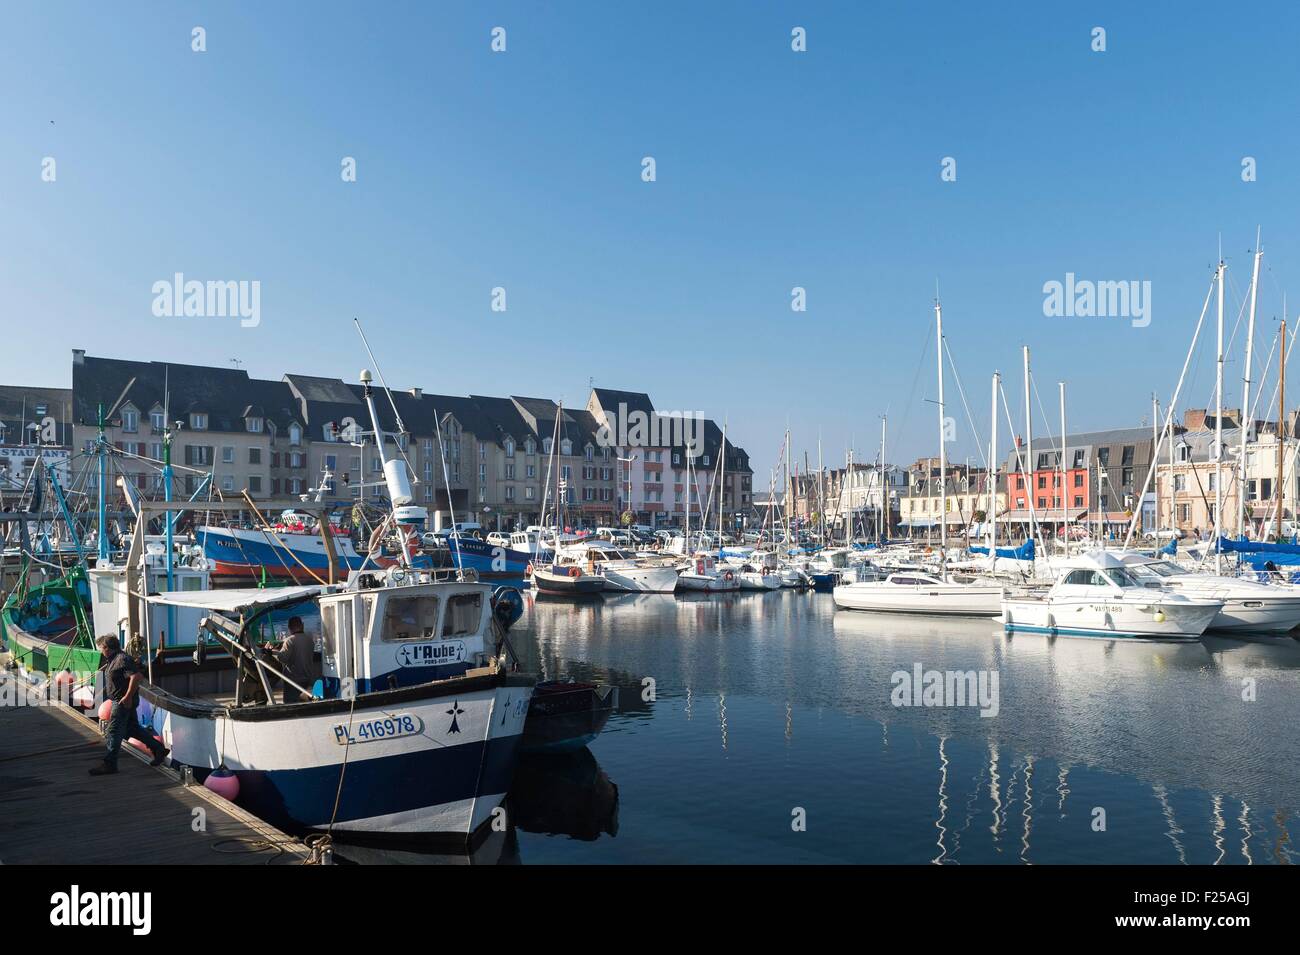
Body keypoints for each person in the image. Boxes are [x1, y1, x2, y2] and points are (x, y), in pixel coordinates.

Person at [90, 634, 168, 776]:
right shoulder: (114, 659)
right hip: (123, 701)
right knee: (132, 729)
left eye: (101, 648)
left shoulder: (121, 659)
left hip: (122, 702)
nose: (101, 651)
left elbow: (136, 676)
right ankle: (158, 749)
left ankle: (110, 764)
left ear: (107, 647)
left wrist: (127, 697)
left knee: (113, 732)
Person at [266, 616, 315, 704]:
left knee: (291, 703)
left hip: (293, 680)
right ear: (302, 625)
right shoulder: (309, 640)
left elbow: (282, 658)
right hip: (307, 677)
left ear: (289, 628)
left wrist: (272, 651)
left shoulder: (289, 641)